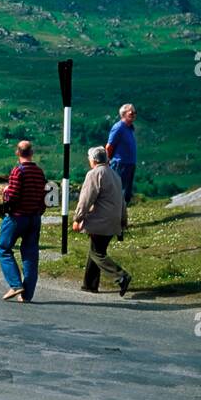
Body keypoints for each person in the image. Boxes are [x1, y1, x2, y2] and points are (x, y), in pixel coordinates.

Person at [73, 146, 131, 296]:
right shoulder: (115, 175)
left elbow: (86, 199)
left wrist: (77, 218)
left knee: (96, 253)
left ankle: (121, 275)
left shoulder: (94, 174)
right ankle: (89, 284)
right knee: (97, 250)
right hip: (114, 220)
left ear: (93, 160)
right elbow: (122, 201)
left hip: (101, 220)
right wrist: (123, 220)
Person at [0, 140, 47, 302]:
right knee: (30, 255)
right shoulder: (39, 172)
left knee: (4, 249)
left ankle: (15, 284)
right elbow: (42, 195)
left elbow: (13, 195)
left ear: (17, 153)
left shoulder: (18, 171)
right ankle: (27, 295)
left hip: (17, 217)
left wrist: (5, 192)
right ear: (32, 153)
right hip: (34, 217)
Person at [106, 103, 137, 241]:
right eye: (131, 113)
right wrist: (110, 160)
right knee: (118, 194)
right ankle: (115, 223)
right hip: (120, 164)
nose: (134, 115)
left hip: (129, 164)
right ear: (124, 114)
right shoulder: (118, 127)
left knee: (126, 194)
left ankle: (120, 221)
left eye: (134, 113)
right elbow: (109, 146)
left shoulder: (129, 128)